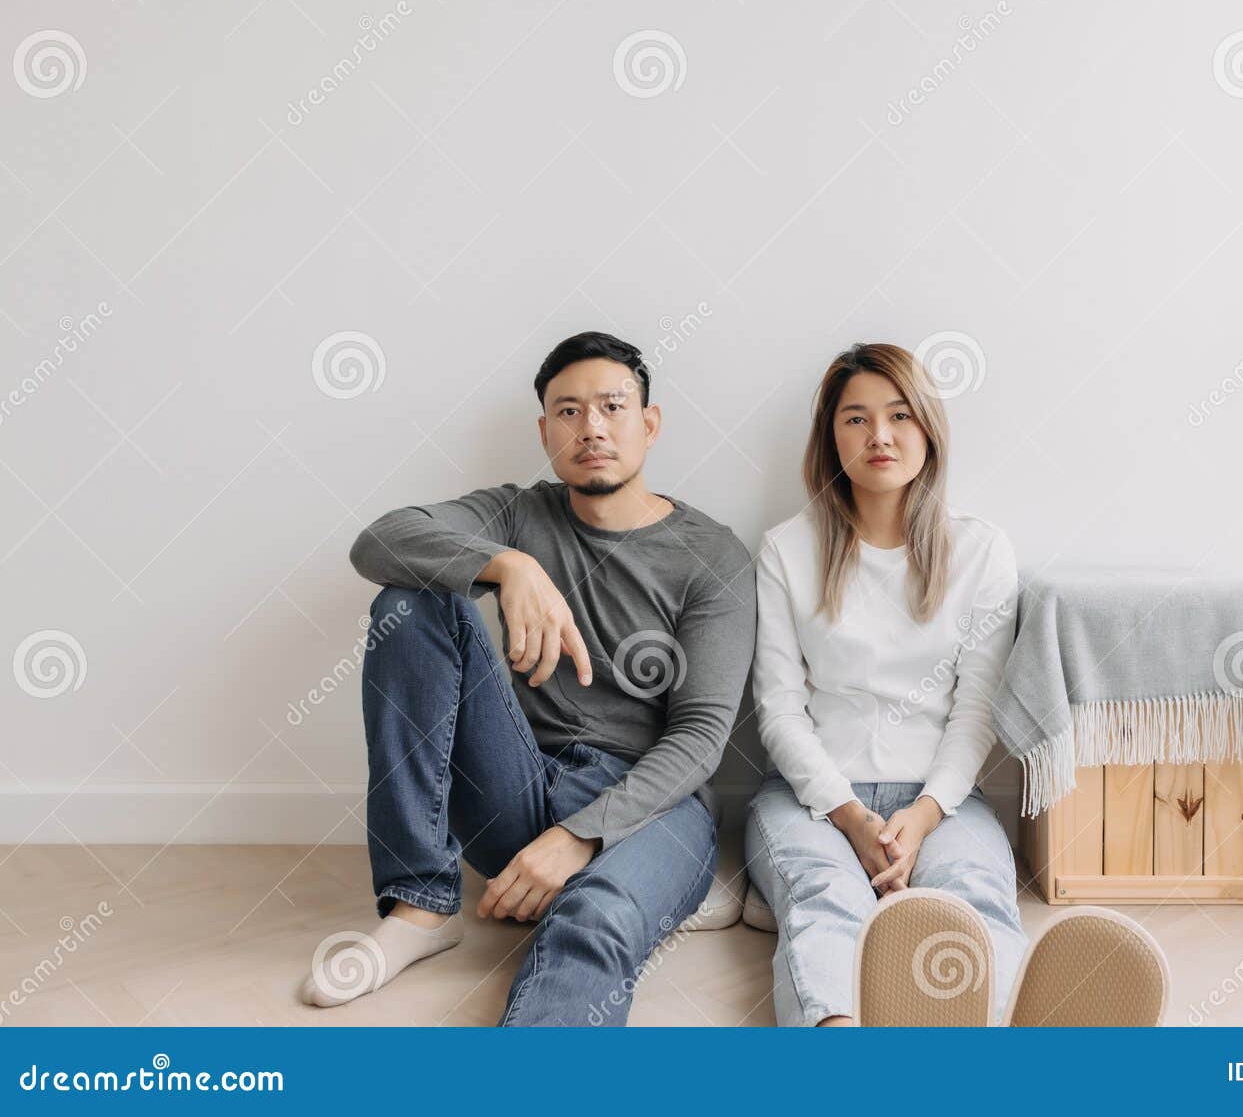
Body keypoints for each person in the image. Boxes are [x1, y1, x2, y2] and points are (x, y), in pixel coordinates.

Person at [300, 330, 756, 1026]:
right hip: (519, 783)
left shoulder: (711, 554)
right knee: (410, 601)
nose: (592, 427)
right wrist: (511, 566)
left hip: (653, 812)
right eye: (569, 411)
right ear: (546, 431)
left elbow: (700, 738)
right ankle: (419, 905)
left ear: (649, 424)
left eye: (612, 406)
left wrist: (579, 837)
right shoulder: (518, 515)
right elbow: (380, 541)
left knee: (593, 922)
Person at [744, 341, 1027, 1026]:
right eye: (856, 419)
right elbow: (778, 710)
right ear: (829, 436)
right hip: (812, 800)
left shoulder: (982, 551)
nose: (879, 436)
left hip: (942, 800)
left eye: (900, 415)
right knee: (826, 900)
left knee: (975, 893)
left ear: (928, 428)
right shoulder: (787, 548)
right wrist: (852, 817)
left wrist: (922, 816)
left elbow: (975, 712)